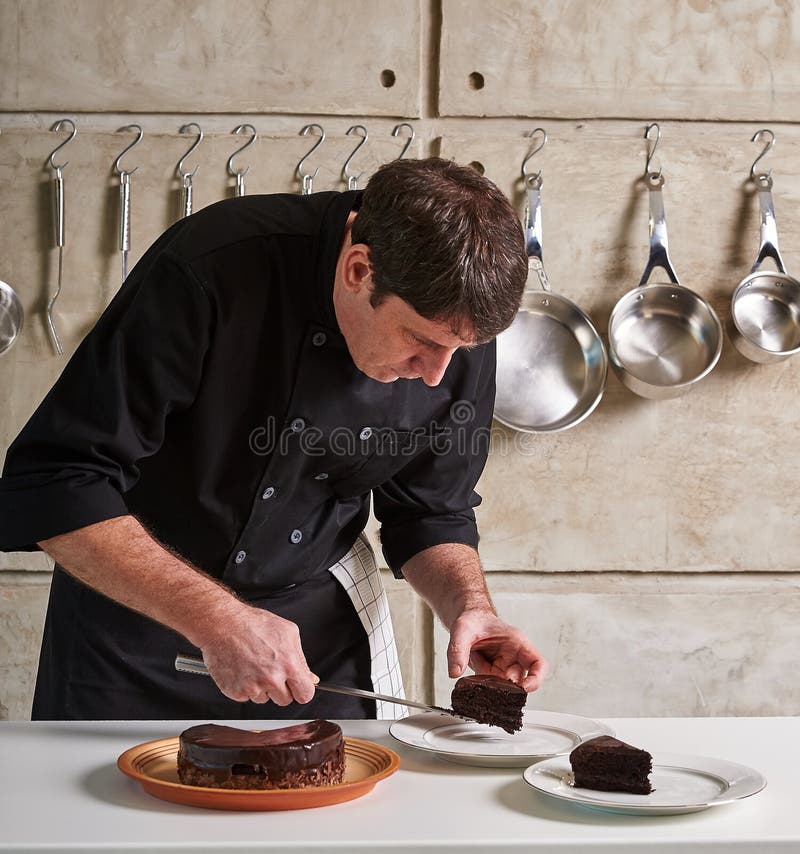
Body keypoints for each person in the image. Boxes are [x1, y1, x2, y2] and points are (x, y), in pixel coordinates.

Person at [0, 156, 548, 721]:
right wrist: (217, 618)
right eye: (419, 342)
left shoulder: (453, 330)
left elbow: (431, 511)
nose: (438, 374)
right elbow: (58, 481)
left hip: (315, 654)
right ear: (359, 270)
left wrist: (470, 608)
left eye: (459, 352)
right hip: (134, 635)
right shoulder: (210, 267)